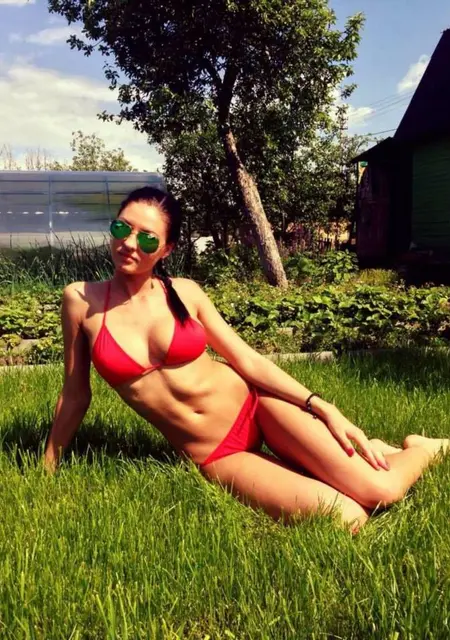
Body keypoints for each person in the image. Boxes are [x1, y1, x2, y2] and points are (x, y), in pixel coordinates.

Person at [44, 187, 449, 532]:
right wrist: (47, 468)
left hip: (258, 407)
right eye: (122, 228)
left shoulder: (185, 292)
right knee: (347, 517)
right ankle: (369, 455)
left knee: (381, 491)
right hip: (217, 453)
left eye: (147, 239)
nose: (130, 244)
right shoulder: (80, 300)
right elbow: (75, 395)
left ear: (166, 249)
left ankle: (423, 448)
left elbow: (247, 360)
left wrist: (322, 407)